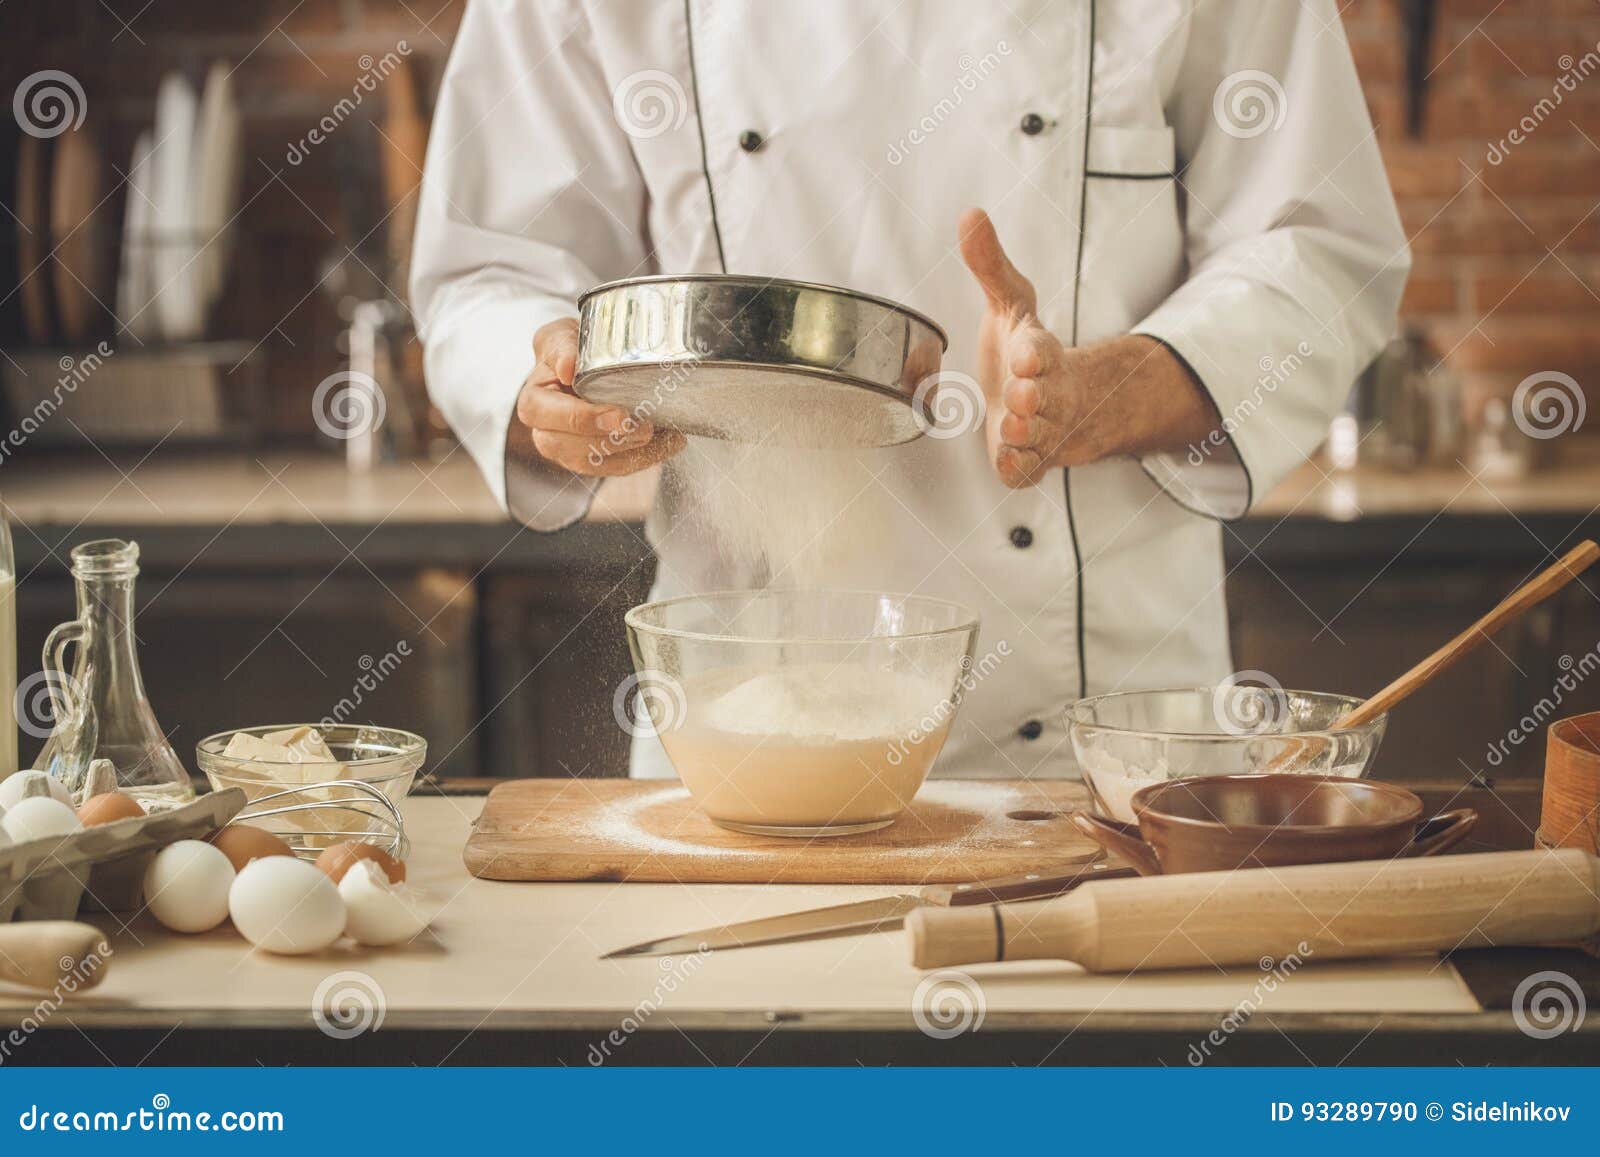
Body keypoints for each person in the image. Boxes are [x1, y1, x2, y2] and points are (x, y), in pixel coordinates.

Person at [411, 1, 1408, 779]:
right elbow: (487, 267)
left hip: (1102, 738)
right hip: (736, 729)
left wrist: (1116, 389)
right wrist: (543, 378)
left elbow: (1319, 241)